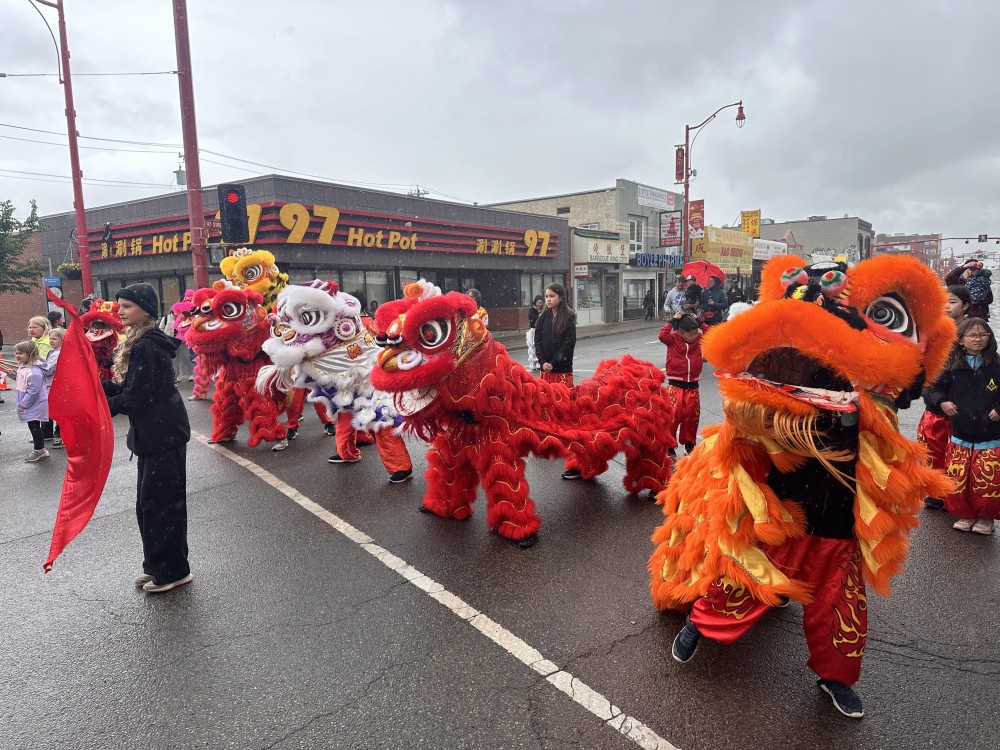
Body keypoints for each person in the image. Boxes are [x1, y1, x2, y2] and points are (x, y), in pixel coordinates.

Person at [102, 283, 193, 594]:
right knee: (150, 505)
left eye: (127, 306)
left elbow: (138, 397)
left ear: (145, 309)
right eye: (120, 305)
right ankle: (157, 565)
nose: (120, 311)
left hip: (163, 436)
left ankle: (173, 571)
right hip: (155, 436)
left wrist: (101, 408)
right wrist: (100, 388)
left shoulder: (147, 346)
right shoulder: (140, 341)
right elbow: (131, 389)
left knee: (161, 507)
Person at [926, 317, 1000, 535]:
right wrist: (943, 402)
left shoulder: (996, 364)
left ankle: (986, 519)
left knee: (986, 479)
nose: (978, 339)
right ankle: (966, 514)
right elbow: (936, 388)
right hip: (960, 433)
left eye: (982, 335)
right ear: (961, 340)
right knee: (959, 477)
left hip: (991, 434)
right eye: (972, 335)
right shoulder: (952, 365)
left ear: (989, 337)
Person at [919, 285, 970, 510]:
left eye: (953, 302)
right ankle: (936, 491)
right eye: (943, 302)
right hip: (934, 398)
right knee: (934, 446)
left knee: (960, 450)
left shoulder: (973, 331)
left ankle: (957, 493)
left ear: (966, 305)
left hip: (964, 400)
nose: (947, 306)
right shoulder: (933, 329)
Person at [659, 313, 709, 457]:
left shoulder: (699, 339)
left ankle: (689, 443)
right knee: (673, 415)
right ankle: (669, 445)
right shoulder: (673, 339)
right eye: (691, 334)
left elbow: (712, 333)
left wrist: (700, 322)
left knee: (692, 415)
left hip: (693, 386)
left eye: (695, 333)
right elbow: (662, 335)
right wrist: (672, 320)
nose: (694, 336)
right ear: (681, 332)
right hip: (676, 386)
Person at [14, 340, 49, 462]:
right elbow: (22, 381)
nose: (17, 355)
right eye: (16, 353)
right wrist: (12, 374)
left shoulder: (34, 371)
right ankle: (41, 448)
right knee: (33, 426)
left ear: (30, 354)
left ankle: (39, 450)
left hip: (34, 403)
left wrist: (24, 404)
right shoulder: (24, 367)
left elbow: (33, 390)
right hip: (31, 403)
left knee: (34, 426)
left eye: (21, 353)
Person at [37, 327, 65, 447]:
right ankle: (52, 433)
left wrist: (36, 365)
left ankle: (59, 434)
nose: (51, 341)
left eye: (55, 339)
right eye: (50, 339)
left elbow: (48, 370)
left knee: (57, 411)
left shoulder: (58, 353)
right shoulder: (53, 352)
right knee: (52, 410)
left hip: (55, 385)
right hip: (51, 384)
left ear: (62, 340)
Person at [526, 294, 544, 371]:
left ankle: (540, 363)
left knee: (540, 347)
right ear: (535, 303)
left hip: (541, 330)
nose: (540, 304)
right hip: (533, 330)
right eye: (538, 302)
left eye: (541, 302)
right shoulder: (532, 310)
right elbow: (531, 318)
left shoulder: (544, 309)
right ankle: (533, 364)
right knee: (533, 347)